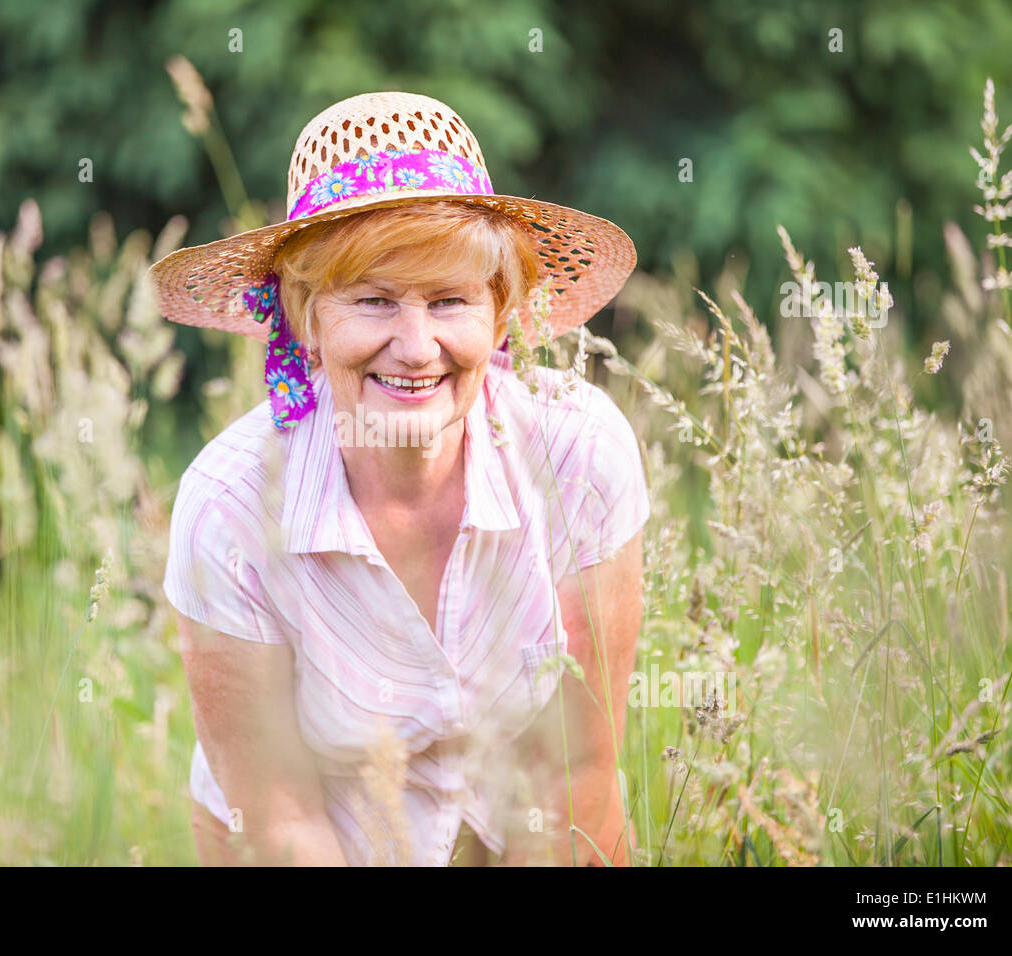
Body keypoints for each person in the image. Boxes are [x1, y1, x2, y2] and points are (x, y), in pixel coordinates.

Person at [150, 90, 648, 866]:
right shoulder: (231, 507)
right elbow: (282, 820)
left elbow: (576, 774)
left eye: (450, 300)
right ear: (308, 317)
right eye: (374, 301)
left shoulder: (578, 457)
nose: (416, 348)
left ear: (499, 309)